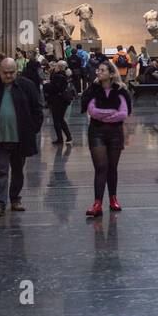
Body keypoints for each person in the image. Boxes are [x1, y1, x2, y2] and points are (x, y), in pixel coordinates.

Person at [0, 56, 45, 217]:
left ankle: (15, 199)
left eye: (12, 73)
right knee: (1, 170)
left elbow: (37, 109)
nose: (8, 76)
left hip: (20, 138)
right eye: (5, 73)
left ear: (17, 71)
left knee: (18, 170)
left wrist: (32, 129)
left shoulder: (27, 86)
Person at [80, 62, 131, 215]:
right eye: (98, 70)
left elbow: (124, 113)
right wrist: (111, 115)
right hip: (97, 132)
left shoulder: (121, 91)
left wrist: (104, 116)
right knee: (101, 167)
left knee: (112, 168)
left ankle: (113, 199)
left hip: (115, 133)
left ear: (111, 73)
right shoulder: (93, 90)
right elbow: (92, 111)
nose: (98, 72)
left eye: (102, 70)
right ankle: (97, 203)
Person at [44, 61, 75, 144]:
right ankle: (68, 137)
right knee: (61, 119)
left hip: (58, 100)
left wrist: (46, 85)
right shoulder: (66, 75)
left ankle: (60, 138)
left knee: (57, 120)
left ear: (59, 67)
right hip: (63, 100)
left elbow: (55, 88)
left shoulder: (58, 76)